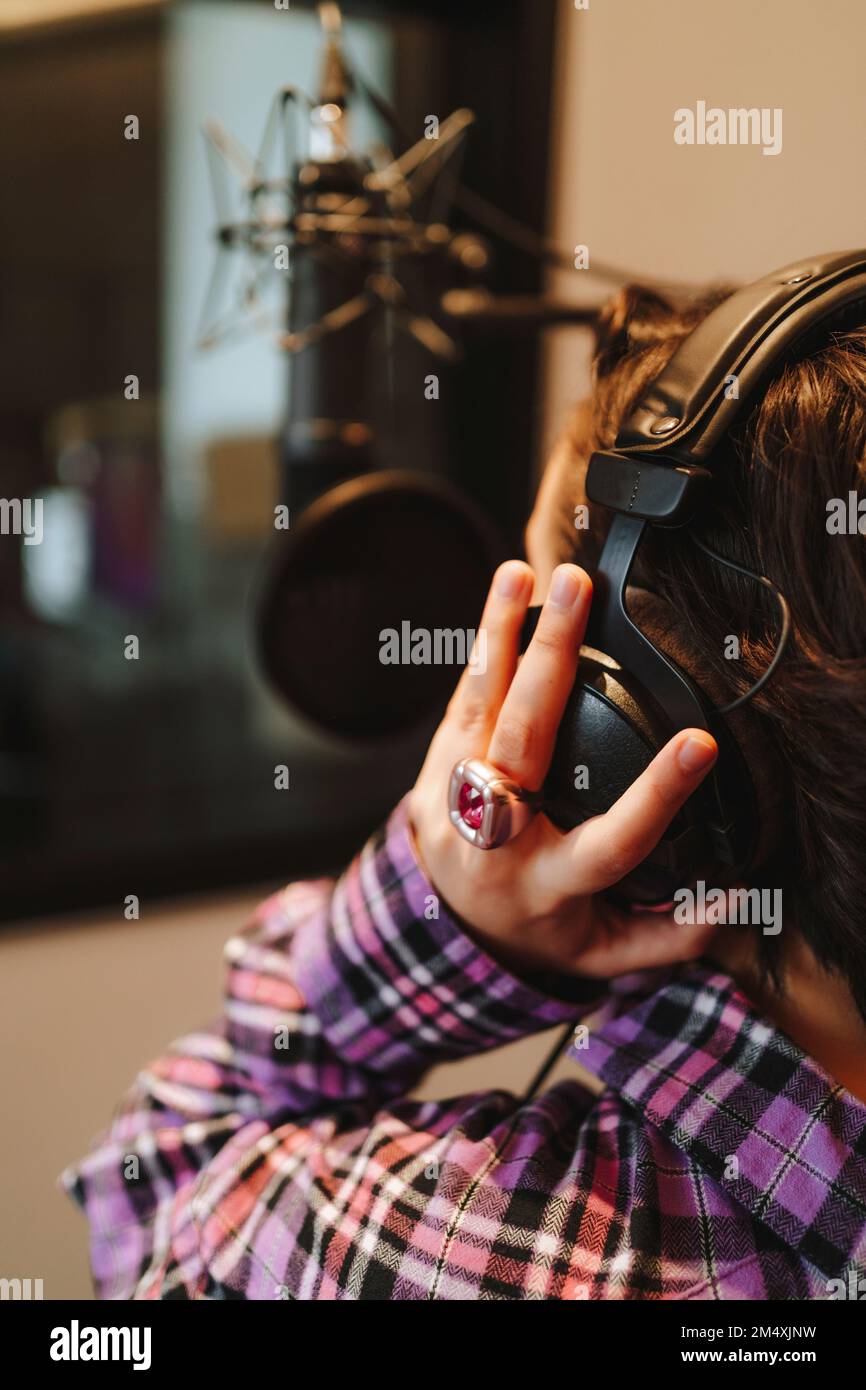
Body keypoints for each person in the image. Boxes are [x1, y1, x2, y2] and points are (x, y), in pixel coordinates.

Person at [62, 282, 866, 1301]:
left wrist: (440, 921)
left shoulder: (476, 1250)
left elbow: (153, 1170)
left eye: (540, 621)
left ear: (614, 740)